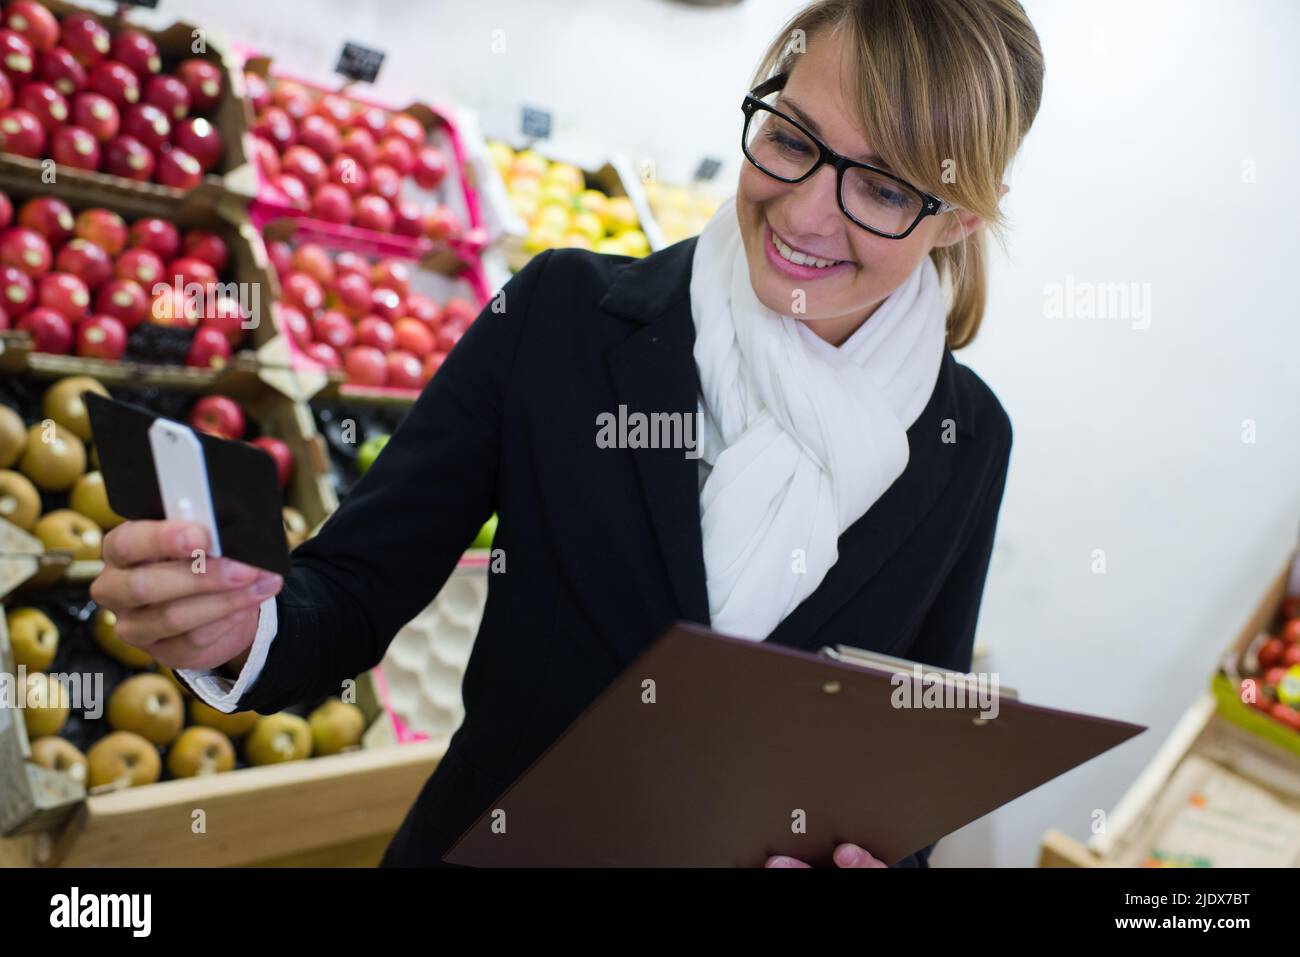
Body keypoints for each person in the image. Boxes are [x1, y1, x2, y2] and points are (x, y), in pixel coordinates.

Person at [89, 0, 1044, 868]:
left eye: (880, 189)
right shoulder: (563, 318)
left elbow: (899, 759)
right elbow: (349, 588)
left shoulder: (967, 444)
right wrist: (239, 627)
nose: (801, 212)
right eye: (791, 137)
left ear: (955, 218)